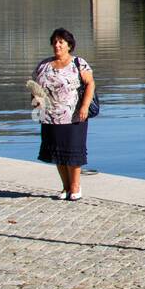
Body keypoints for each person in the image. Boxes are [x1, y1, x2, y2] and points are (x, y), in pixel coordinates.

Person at [31, 28, 95, 201]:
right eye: (55, 42)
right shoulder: (43, 65)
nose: (57, 45)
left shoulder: (78, 63)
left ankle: (75, 187)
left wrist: (85, 106)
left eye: (61, 42)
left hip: (73, 115)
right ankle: (65, 187)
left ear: (69, 45)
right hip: (49, 116)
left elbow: (90, 84)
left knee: (72, 152)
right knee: (58, 153)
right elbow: (35, 88)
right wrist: (36, 101)